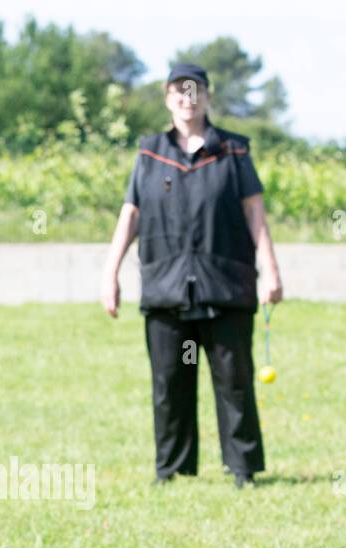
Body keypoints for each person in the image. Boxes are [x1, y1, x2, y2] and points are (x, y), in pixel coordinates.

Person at [102, 62, 283, 488]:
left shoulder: (234, 151)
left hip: (225, 285)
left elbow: (254, 211)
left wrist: (271, 269)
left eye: (195, 90)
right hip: (167, 290)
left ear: (207, 97)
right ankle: (172, 469)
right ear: (168, 99)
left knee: (234, 382)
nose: (188, 99)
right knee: (170, 383)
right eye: (179, 92)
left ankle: (242, 469)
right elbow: (131, 214)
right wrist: (109, 273)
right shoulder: (149, 153)